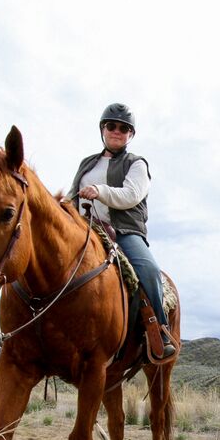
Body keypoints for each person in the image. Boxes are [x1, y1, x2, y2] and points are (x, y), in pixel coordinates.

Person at [69, 103, 176, 360]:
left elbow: (131, 195)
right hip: (85, 228)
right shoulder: (87, 163)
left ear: (131, 134)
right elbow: (73, 195)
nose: (117, 131)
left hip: (123, 231)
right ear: (103, 129)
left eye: (124, 128)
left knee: (148, 269)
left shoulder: (136, 164)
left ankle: (157, 330)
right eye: (111, 126)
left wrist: (100, 191)